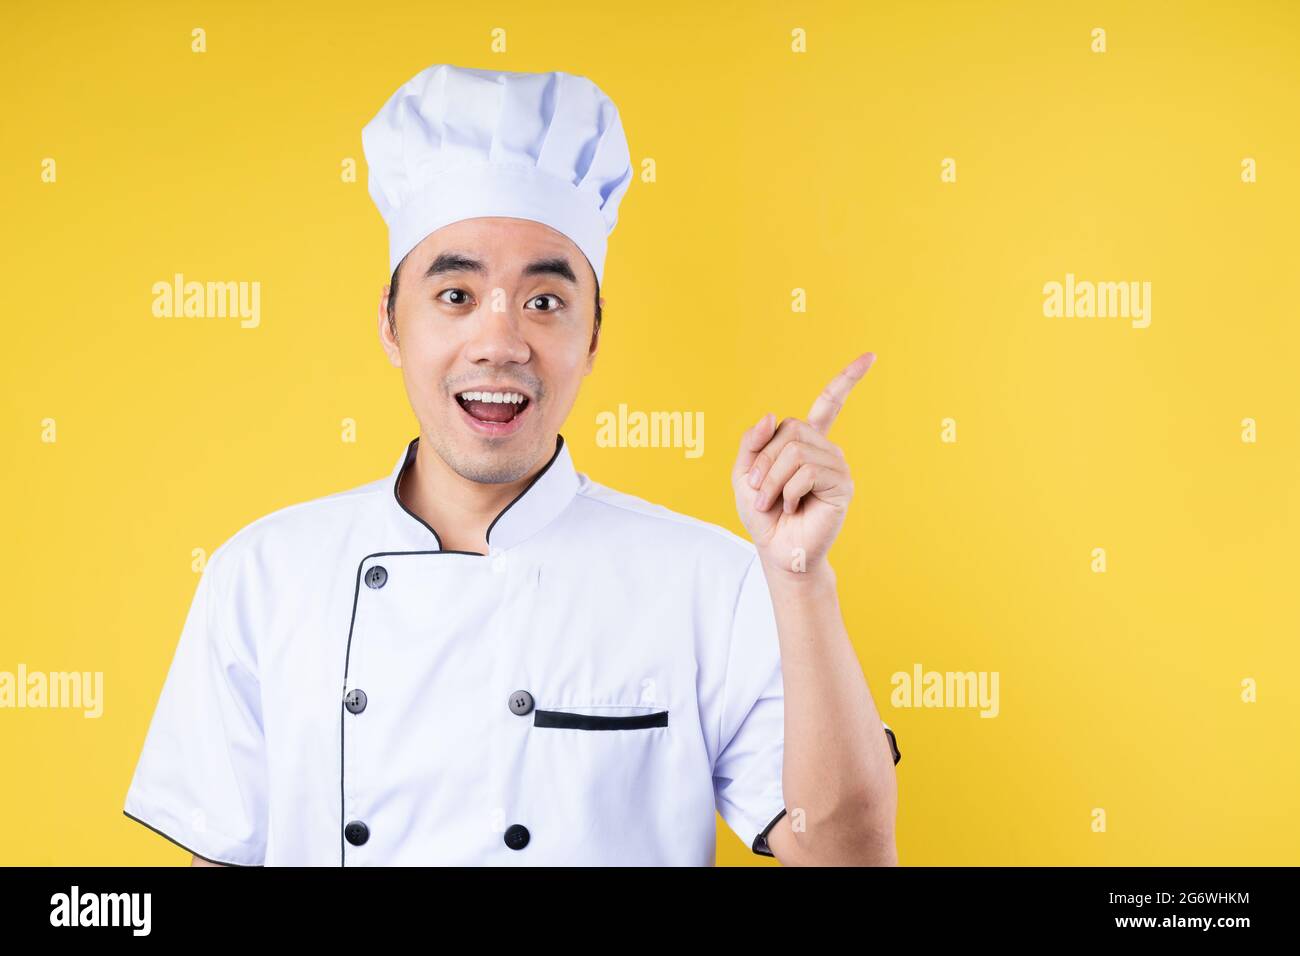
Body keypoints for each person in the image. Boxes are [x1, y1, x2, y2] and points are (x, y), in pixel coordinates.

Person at [123, 63, 900, 866]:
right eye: (455, 296)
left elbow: (850, 857)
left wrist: (802, 580)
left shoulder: (713, 582)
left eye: (544, 301)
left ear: (592, 336)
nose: (499, 342)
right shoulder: (262, 575)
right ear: (391, 325)